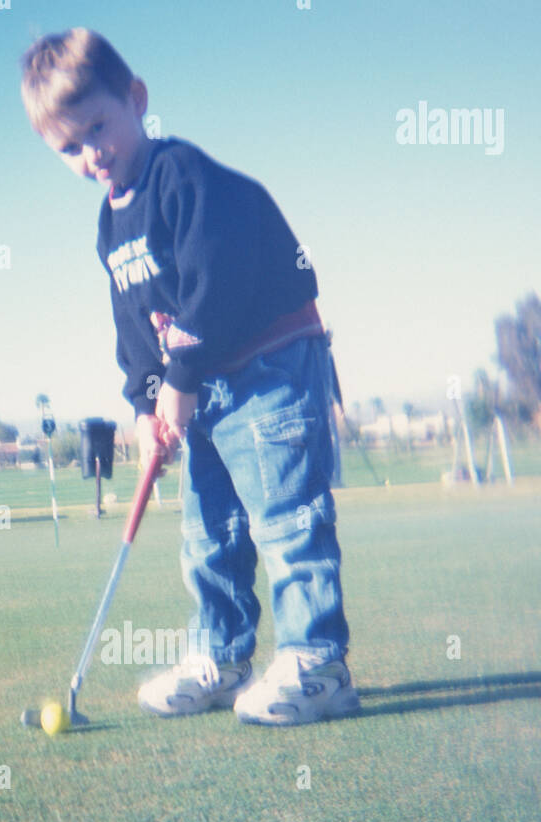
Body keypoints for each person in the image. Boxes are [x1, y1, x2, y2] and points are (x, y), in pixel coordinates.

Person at [20, 28, 359, 725]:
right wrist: (148, 403)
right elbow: (134, 326)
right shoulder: (109, 229)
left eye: (99, 126)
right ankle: (222, 656)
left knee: (286, 518)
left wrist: (180, 376)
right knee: (211, 531)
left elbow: (218, 285)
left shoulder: (183, 178)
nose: (92, 153)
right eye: (70, 148)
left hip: (270, 367)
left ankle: (318, 664)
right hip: (204, 384)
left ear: (135, 100)